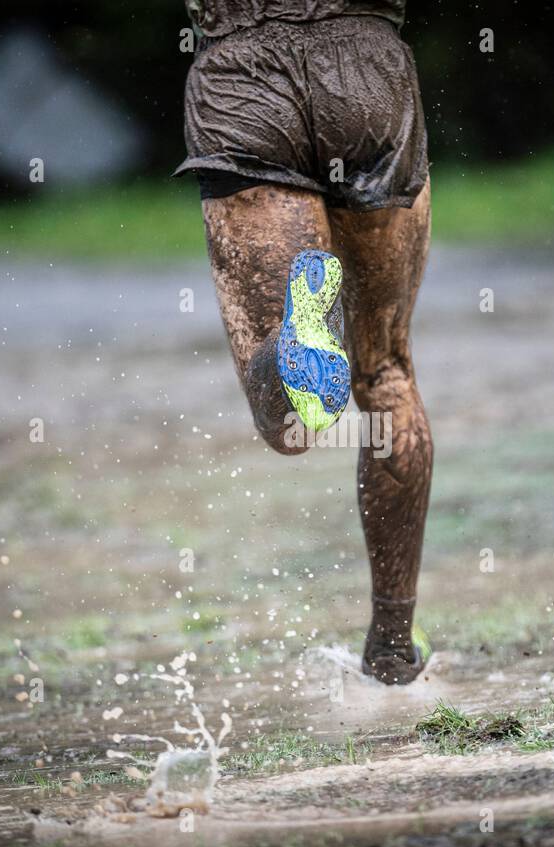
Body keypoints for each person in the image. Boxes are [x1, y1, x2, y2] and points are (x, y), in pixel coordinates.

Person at [175, 1, 433, 683]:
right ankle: (391, 647)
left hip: (243, 71)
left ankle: (296, 334)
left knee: (290, 427)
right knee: (384, 374)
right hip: (370, 70)